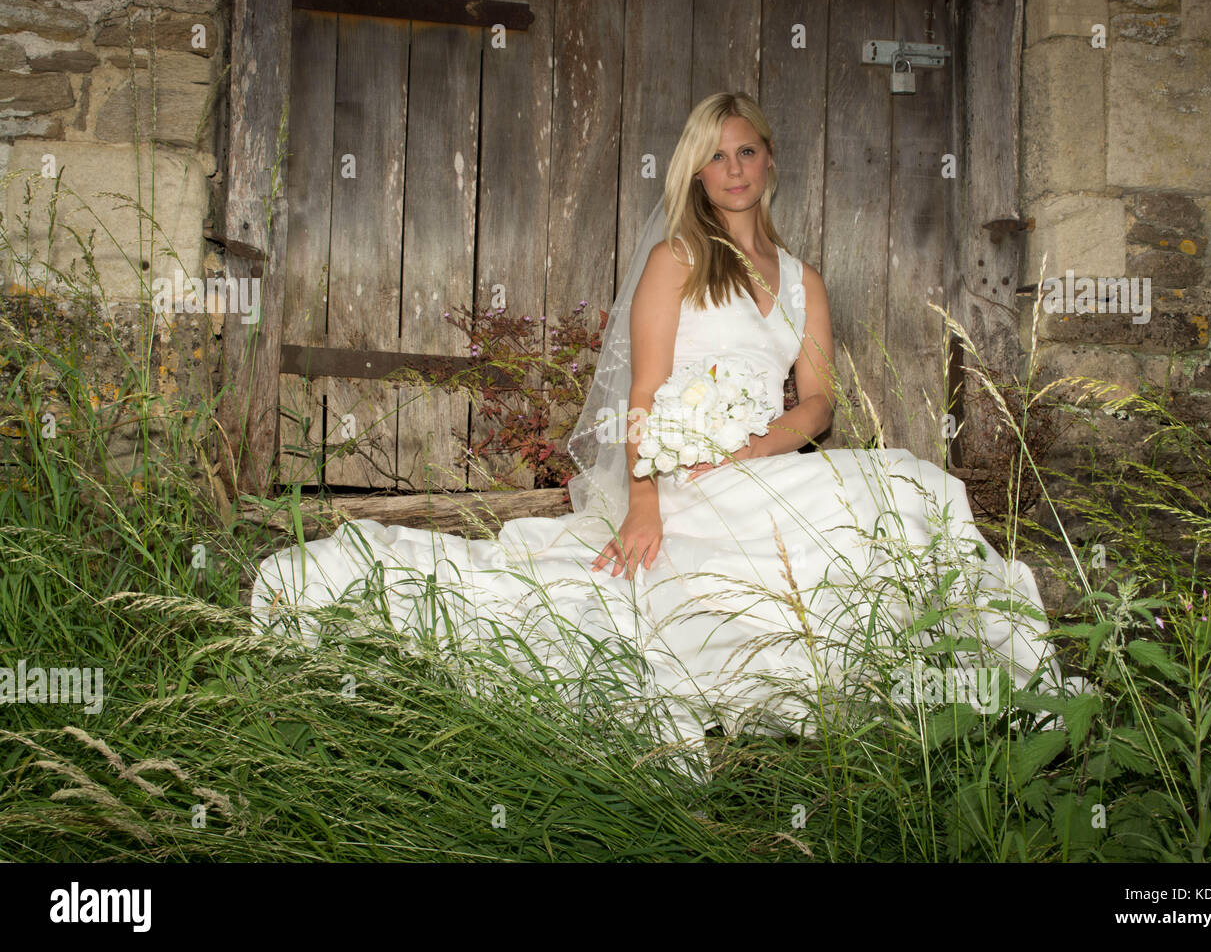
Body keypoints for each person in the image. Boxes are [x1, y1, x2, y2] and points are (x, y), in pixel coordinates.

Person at [250, 92, 1084, 784]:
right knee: (622, 596)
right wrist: (642, 504)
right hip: (678, 476)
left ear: (769, 162)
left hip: (761, 463)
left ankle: (956, 690)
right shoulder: (676, 260)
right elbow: (641, 397)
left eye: (747, 152)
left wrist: (756, 449)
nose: (734, 170)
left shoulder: (804, 282)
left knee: (912, 486)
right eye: (717, 157)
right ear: (696, 171)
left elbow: (820, 403)